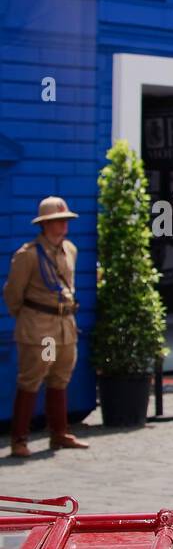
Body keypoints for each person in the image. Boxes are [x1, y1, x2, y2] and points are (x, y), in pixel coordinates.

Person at [3, 196, 91, 457]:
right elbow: (13, 294)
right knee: (32, 379)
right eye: (56, 222)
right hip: (42, 330)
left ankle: (59, 433)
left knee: (60, 377)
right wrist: (27, 318)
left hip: (65, 326)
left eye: (65, 221)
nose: (62, 226)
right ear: (44, 224)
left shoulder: (70, 250)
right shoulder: (28, 255)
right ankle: (19, 439)